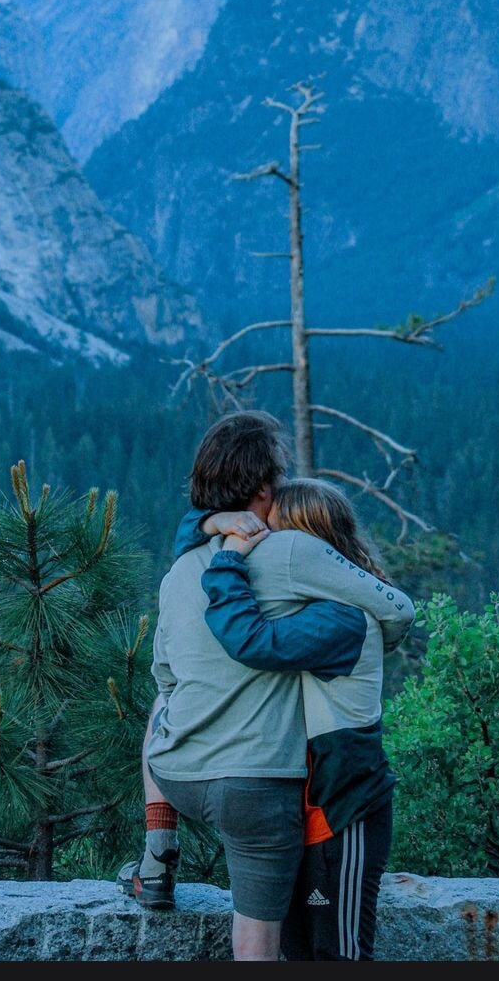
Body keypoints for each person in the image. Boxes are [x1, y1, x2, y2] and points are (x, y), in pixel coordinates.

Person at [118, 412, 412, 963]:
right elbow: (259, 640)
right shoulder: (296, 554)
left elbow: (165, 679)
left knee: (162, 703)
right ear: (261, 488)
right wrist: (379, 632)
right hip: (262, 789)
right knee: (263, 934)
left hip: (175, 772)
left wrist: (210, 529)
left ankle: (157, 850)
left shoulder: (179, 570)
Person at [190, 479, 410, 961]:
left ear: (305, 547)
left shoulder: (340, 620)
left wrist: (228, 561)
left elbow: (250, 641)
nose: (260, 548)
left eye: (269, 537)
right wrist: (211, 522)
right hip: (307, 810)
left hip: (342, 813)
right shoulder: (324, 609)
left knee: (337, 955)